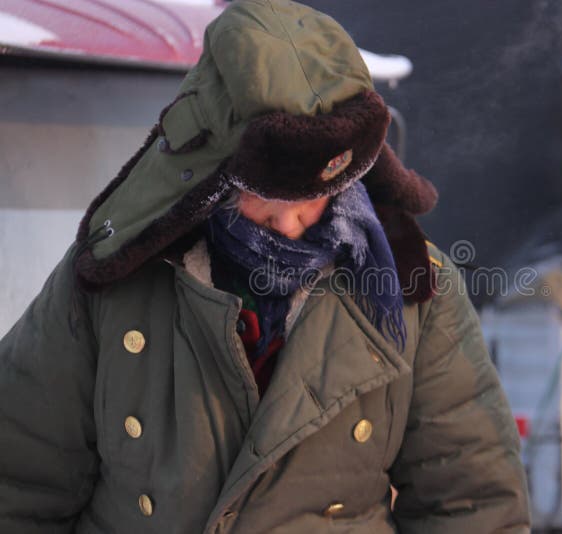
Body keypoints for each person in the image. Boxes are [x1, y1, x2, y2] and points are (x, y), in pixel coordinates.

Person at [0, 1, 531, 532]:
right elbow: (19, 484)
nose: (293, 222)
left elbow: (471, 504)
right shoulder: (110, 282)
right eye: (269, 196)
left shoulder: (411, 291)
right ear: (213, 179)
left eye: (315, 195)